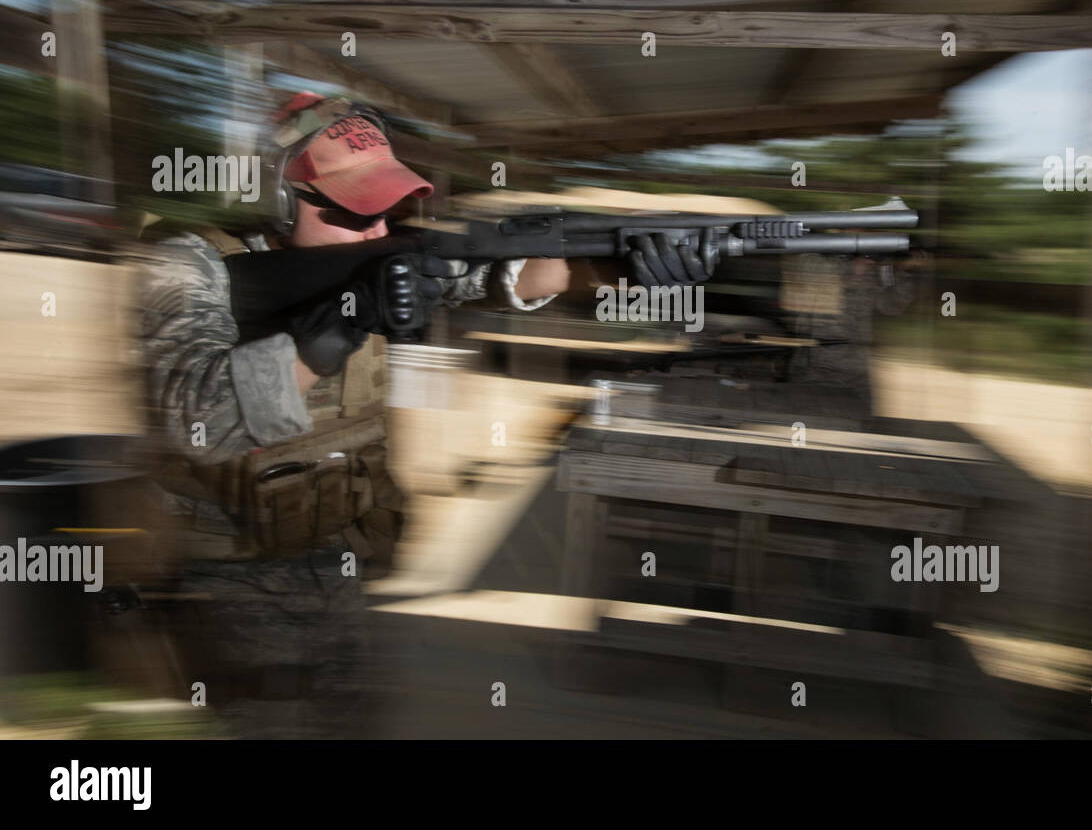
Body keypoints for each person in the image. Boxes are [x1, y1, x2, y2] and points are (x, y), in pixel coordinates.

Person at [137, 91, 707, 737]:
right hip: (230, 593)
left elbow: (508, 273)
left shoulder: (378, 258)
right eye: (358, 213)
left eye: (391, 210)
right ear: (278, 199)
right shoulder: (189, 263)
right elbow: (198, 418)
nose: (379, 235)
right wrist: (342, 320)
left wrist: (620, 265)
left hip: (343, 574)